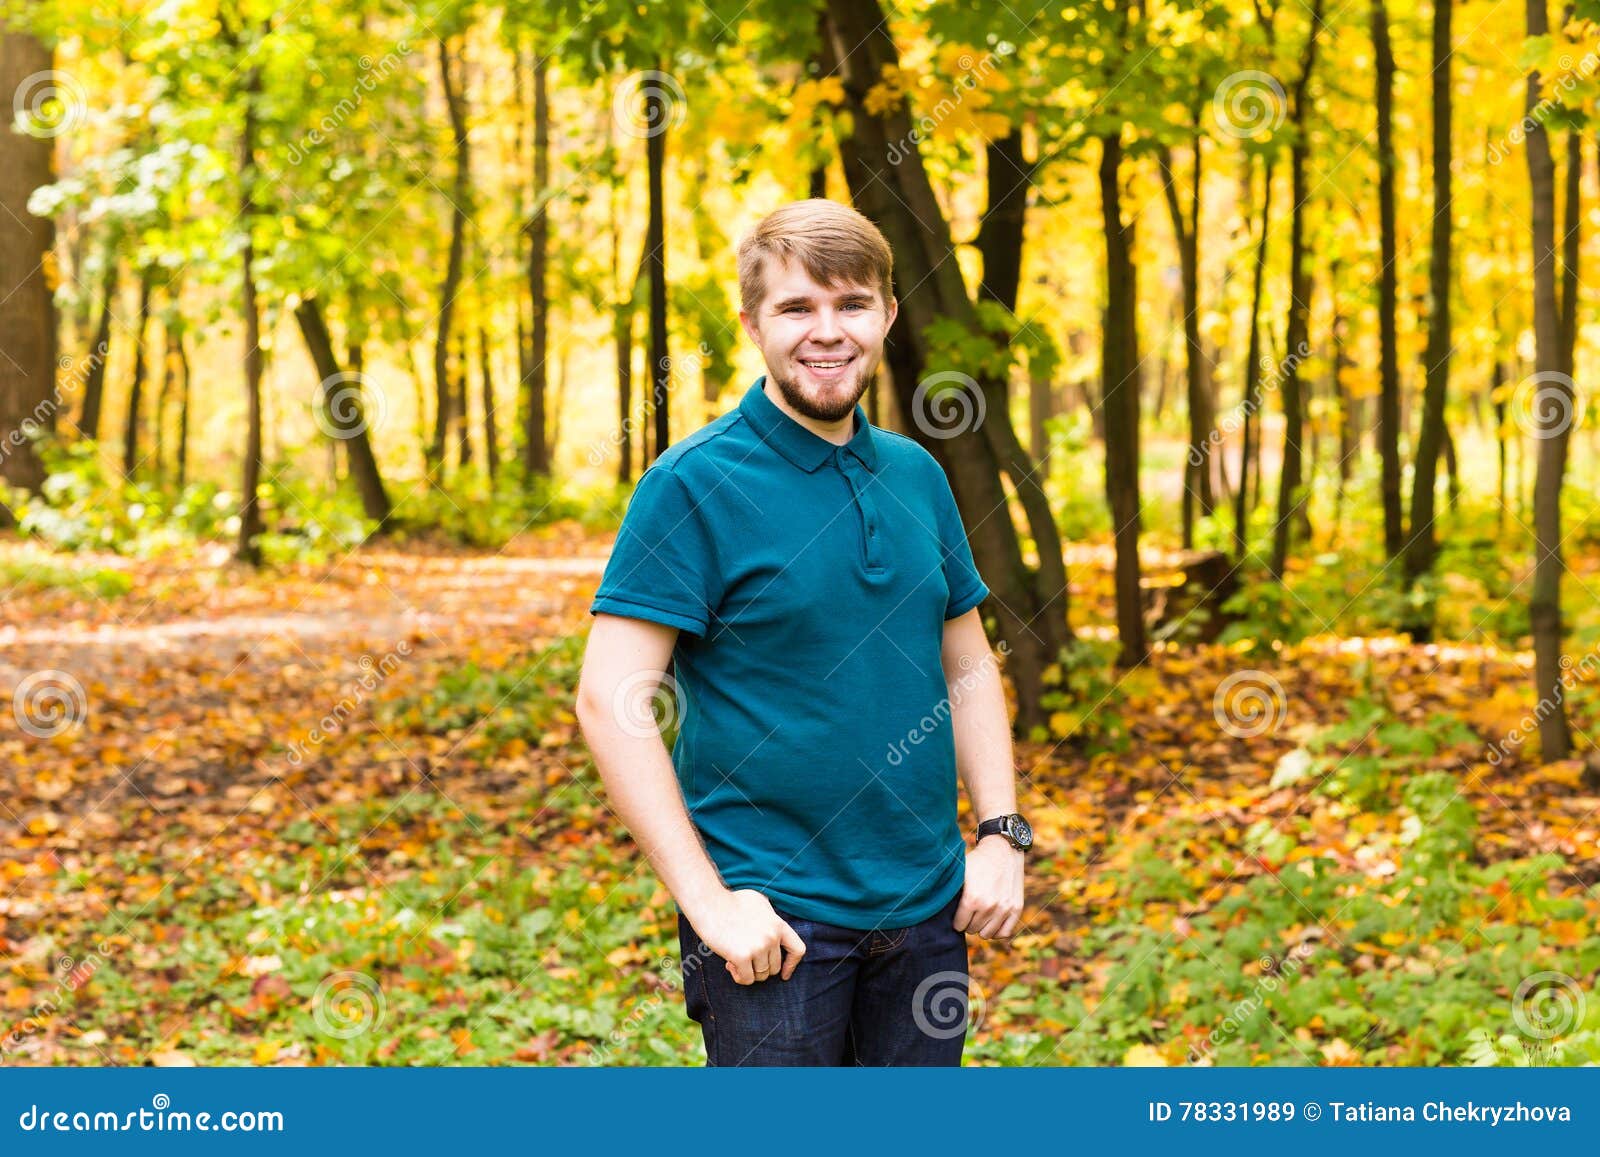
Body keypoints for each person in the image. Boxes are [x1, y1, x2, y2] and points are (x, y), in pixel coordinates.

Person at [576, 199, 1030, 1067]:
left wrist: (1000, 834)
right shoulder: (692, 484)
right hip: (773, 926)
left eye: (852, 304)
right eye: (796, 308)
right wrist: (711, 905)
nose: (828, 332)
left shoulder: (917, 474)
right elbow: (610, 700)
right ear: (751, 322)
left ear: (888, 315)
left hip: (928, 915)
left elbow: (966, 662)